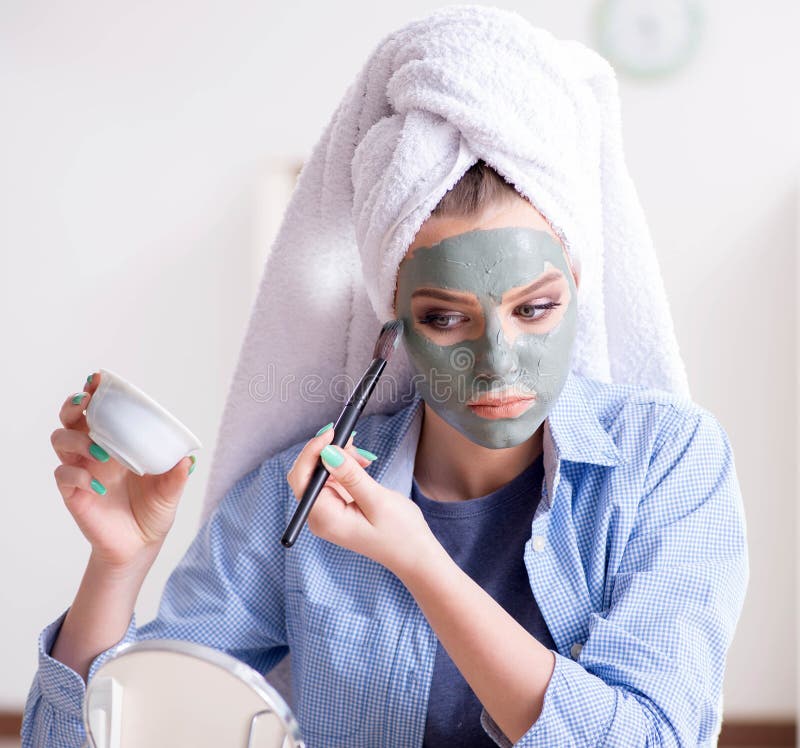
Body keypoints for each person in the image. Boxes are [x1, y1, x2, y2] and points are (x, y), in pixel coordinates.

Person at [22, 7, 748, 748]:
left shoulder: (668, 460)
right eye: (445, 318)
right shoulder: (299, 497)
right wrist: (118, 566)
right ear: (392, 319)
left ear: (577, 287)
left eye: (535, 308)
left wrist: (419, 561)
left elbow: (653, 739)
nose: (498, 360)